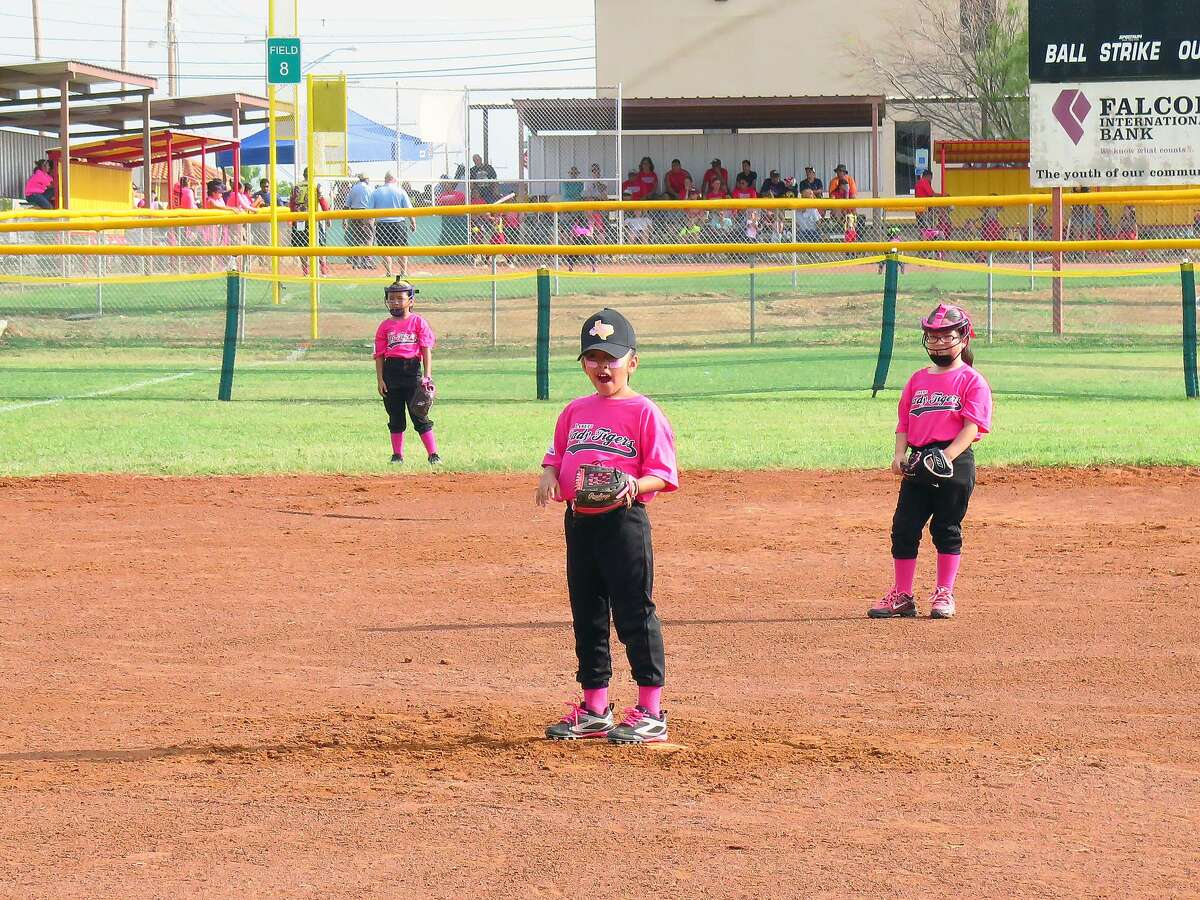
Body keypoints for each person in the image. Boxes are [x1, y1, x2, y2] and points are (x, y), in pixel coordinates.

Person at [536, 308, 679, 743]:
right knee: (588, 613)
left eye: (612, 358)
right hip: (579, 523)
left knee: (634, 612)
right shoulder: (574, 410)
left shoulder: (644, 412)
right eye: (593, 358)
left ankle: (650, 711)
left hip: (623, 524)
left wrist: (635, 483)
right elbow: (557, 454)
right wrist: (547, 472)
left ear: (632, 362)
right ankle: (595, 708)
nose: (603, 367)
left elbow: (665, 473)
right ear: (583, 363)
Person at [870, 304, 992, 621]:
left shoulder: (971, 380)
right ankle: (902, 596)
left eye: (946, 336)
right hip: (918, 459)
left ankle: (943, 594)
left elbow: (972, 427)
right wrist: (899, 455)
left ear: (964, 339)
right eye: (933, 337)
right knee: (904, 528)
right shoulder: (918, 380)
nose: (939, 343)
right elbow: (904, 424)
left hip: (954, 461)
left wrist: (945, 456)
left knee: (946, 528)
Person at [374, 278, 439, 466]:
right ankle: (397, 455)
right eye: (391, 298)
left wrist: (427, 376)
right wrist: (380, 379)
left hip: (412, 371)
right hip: (391, 373)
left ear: (410, 300)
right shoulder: (385, 326)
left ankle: (433, 454)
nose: (395, 302)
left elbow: (426, 348)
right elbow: (379, 355)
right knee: (395, 416)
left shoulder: (418, 322)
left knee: (419, 413)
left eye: (400, 298)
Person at [371, 173, 416, 277]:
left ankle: (389, 272)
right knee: (402, 250)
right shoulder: (400, 191)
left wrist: (369, 223)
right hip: (399, 224)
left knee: (386, 251)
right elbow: (409, 209)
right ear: (394, 179)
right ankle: (403, 272)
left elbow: (369, 211)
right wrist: (413, 221)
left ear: (385, 179)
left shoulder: (376, 192)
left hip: (382, 224)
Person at [290, 168, 331, 277]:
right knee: (320, 243)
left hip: (299, 219)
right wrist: (328, 216)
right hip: (312, 219)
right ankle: (323, 268)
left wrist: (292, 219)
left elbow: (292, 204)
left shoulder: (296, 187)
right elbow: (322, 201)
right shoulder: (316, 186)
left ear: (304, 175)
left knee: (302, 245)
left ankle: (306, 270)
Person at [346, 173, 374, 270]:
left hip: (355, 214)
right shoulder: (369, 188)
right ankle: (367, 262)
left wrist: (344, 219)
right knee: (368, 238)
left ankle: (356, 263)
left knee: (357, 238)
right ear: (366, 179)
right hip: (367, 214)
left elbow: (346, 205)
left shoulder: (354, 188)